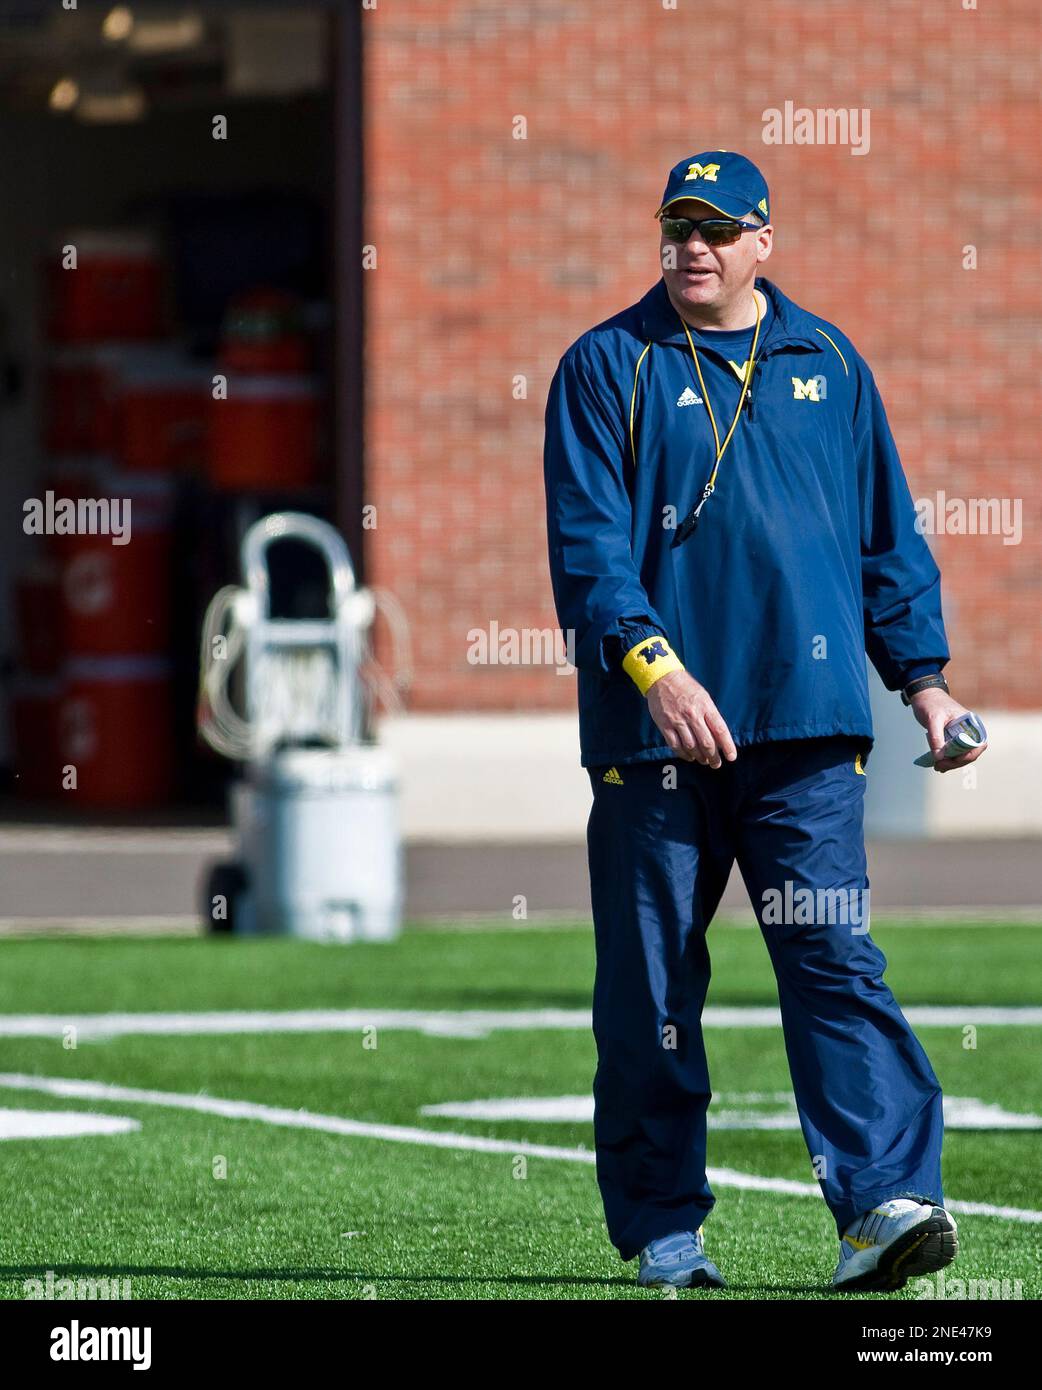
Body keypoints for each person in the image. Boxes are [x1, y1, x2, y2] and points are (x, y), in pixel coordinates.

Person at [541, 150, 985, 1292]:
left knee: (834, 960)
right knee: (651, 992)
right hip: (656, 744)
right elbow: (589, 552)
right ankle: (663, 1232)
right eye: (677, 227)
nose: (693, 246)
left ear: (762, 243)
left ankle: (881, 1205)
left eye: (717, 229)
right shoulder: (607, 364)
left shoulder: (827, 361)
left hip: (806, 735)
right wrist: (656, 671)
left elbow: (886, 538)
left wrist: (923, 683)